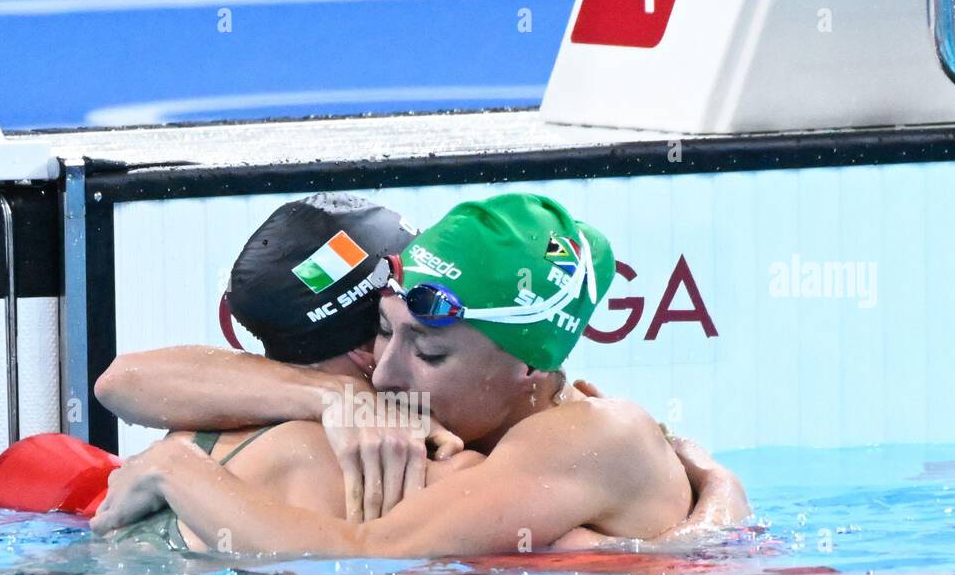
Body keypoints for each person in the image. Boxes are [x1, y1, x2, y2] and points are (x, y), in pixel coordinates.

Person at [91, 192, 750, 556]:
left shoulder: (586, 438)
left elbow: (362, 559)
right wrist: (328, 395)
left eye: (428, 354)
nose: (384, 373)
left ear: (530, 366)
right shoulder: (436, 421)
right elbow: (122, 381)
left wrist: (173, 469)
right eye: (383, 331)